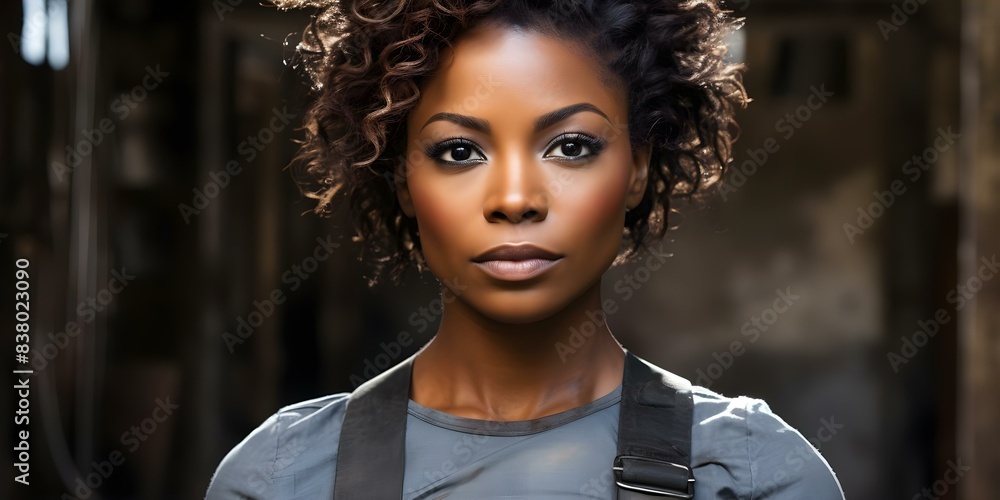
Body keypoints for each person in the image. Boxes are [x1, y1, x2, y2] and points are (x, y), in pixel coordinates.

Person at [206, 0, 845, 498]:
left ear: (639, 169)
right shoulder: (282, 480)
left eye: (571, 146)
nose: (515, 198)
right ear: (402, 179)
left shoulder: (756, 479)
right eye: (460, 152)